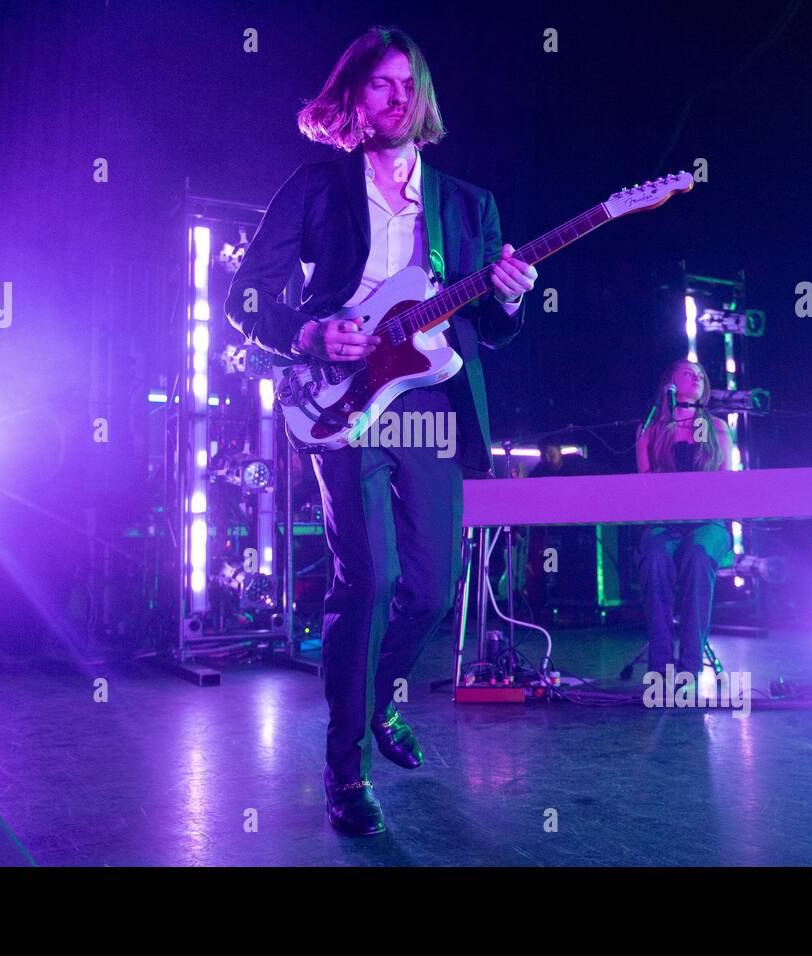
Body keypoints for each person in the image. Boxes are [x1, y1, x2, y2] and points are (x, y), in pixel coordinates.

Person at [225, 25, 537, 836]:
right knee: (366, 578)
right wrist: (306, 333)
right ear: (353, 98)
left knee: (431, 586)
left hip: (430, 404)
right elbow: (246, 296)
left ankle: (377, 699)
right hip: (343, 398)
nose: (396, 98)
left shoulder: (467, 205)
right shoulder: (316, 187)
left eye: (408, 85)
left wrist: (509, 296)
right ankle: (346, 766)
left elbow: (492, 329)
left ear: (423, 96)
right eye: (379, 84)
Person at [634, 359, 735, 680]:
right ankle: (660, 667)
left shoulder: (717, 427)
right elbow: (644, 485)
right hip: (665, 523)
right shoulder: (651, 429)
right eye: (688, 373)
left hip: (708, 523)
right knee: (654, 558)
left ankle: (690, 668)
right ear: (670, 381)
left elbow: (727, 484)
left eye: (700, 375)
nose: (697, 377)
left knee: (698, 556)